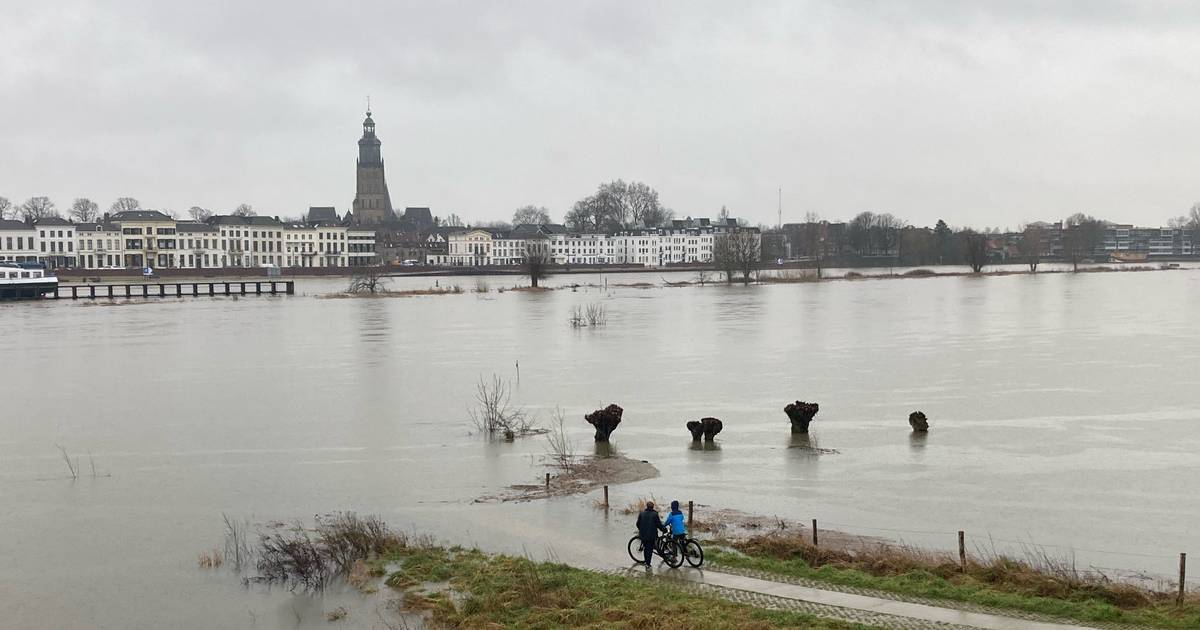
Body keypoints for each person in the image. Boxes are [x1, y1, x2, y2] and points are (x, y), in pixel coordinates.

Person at [635, 501, 666, 566]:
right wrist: (664, 530)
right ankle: (648, 564)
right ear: (653, 507)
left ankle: (647, 562)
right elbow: (659, 525)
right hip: (651, 536)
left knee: (646, 548)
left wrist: (641, 530)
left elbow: (637, 524)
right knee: (649, 549)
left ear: (646, 506)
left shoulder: (641, 513)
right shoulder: (655, 514)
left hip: (643, 535)